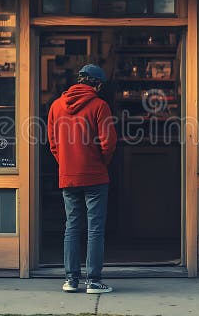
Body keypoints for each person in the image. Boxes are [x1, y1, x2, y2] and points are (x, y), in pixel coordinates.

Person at [47, 64, 117, 294]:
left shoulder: (56, 106)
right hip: (95, 175)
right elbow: (109, 142)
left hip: (68, 175)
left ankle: (71, 280)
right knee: (95, 228)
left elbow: (53, 143)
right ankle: (94, 281)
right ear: (96, 84)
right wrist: (99, 163)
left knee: (72, 226)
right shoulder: (100, 106)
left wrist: (66, 163)